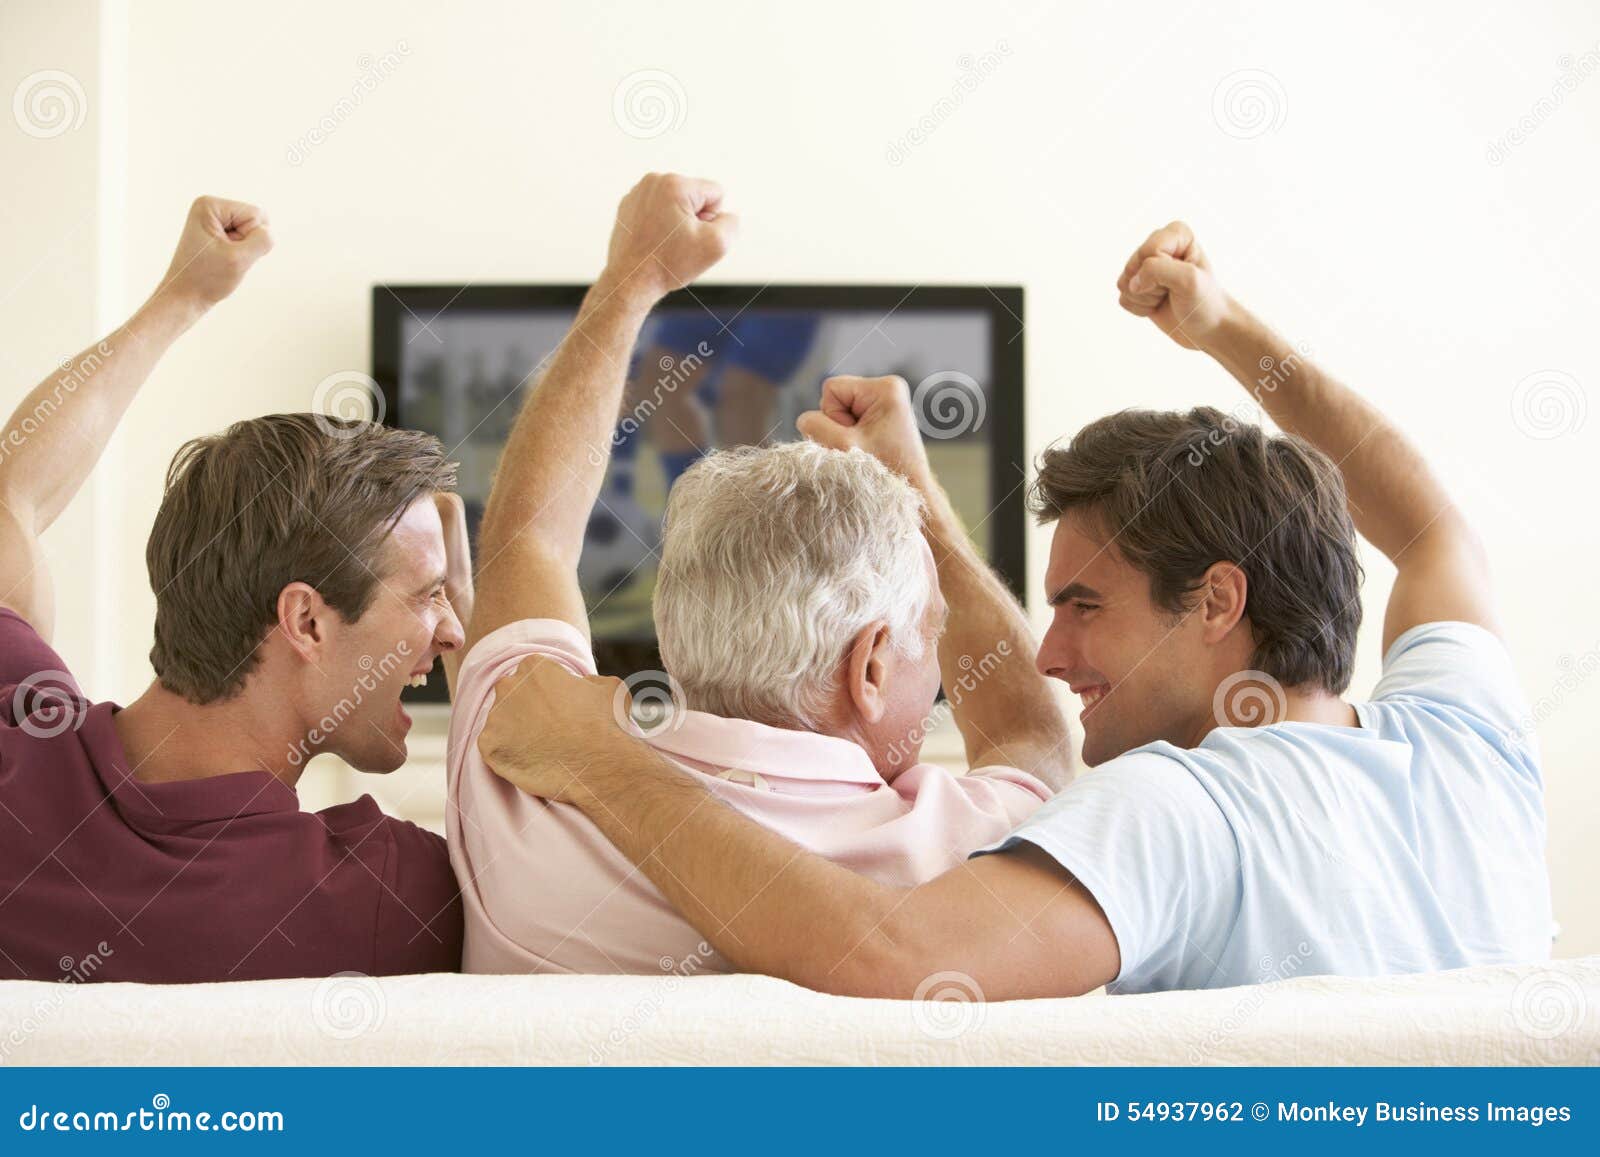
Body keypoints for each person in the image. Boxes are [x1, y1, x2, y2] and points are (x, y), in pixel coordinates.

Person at [477, 220, 1554, 997]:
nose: (1050, 647)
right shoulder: (1467, 741)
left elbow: (888, 956)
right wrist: (1224, 329)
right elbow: (1431, 531)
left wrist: (600, 760)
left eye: (1085, 605)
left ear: (1217, 600)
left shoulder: (1171, 813)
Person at [446, 173, 1071, 974]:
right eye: (932, 638)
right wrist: (916, 487)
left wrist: (633, 275)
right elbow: (1030, 734)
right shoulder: (962, 863)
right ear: (870, 664)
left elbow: (529, 540)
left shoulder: (522, 769)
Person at [0, 197, 468, 982]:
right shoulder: (389, 897)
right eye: (429, 594)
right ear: (307, 621)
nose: (453, 632)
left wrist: (182, 296)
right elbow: (533, 795)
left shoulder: (20, 750)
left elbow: (13, 497)